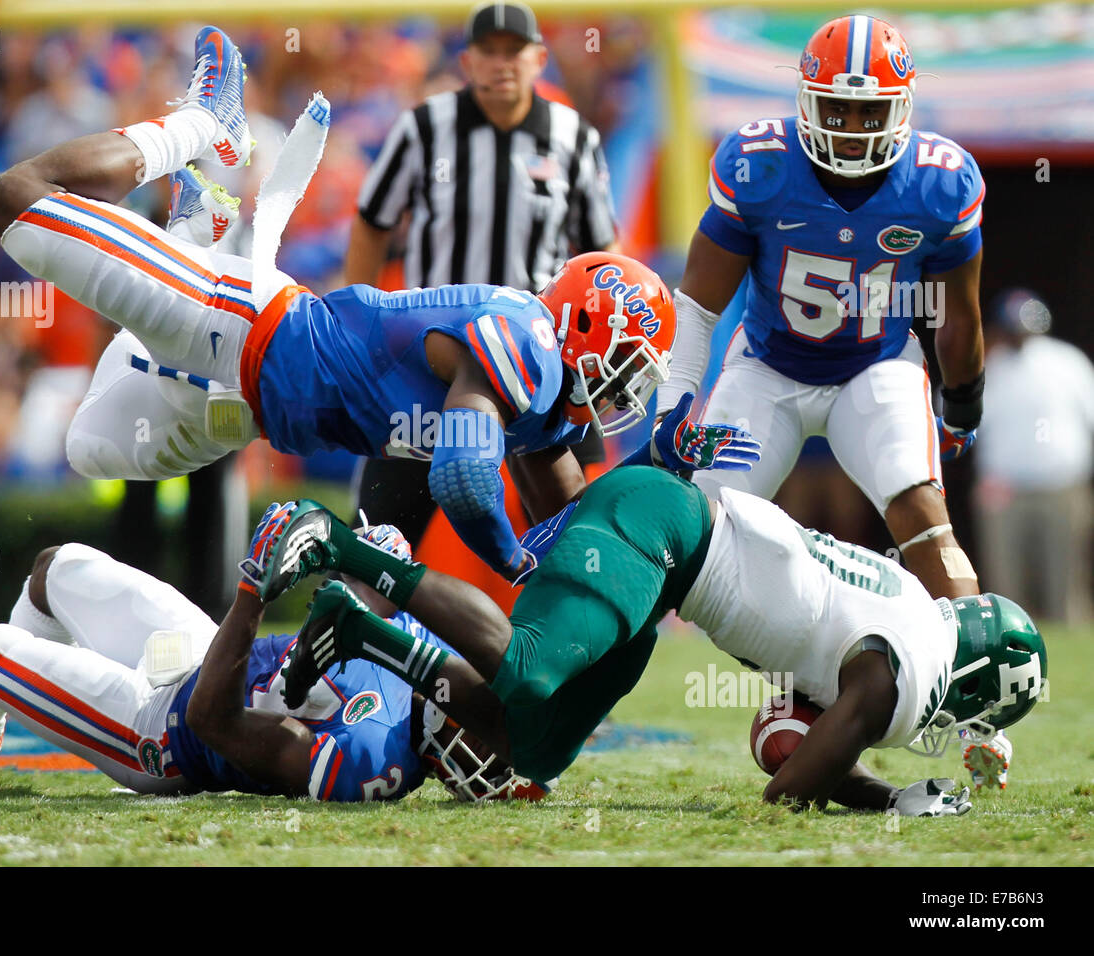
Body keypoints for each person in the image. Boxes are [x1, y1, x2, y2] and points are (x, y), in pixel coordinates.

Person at [0, 26, 756, 582]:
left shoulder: (546, 411)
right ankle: (199, 125)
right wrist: (517, 563)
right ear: (586, 326)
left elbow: (579, 525)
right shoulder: (525, 339)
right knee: (17, 197)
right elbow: (462, 480)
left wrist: (661, 469)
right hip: (249, 327)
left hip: (245, 408)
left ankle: (197, 229)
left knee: (91, 446)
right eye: (628, 365)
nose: (625, 389)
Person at [251, 467, 1048, 811]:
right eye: (978, 709)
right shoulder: (900, 673)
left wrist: (888, 793)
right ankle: (337, 543)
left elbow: (792, 743)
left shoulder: (911, 616)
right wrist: (890, 801)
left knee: (529, 747)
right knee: (527, 670)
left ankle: (357, 630)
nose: (960, 722)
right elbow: (791, 787)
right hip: (662, 530)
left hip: (669, 568)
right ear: (973, 679)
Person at [0, 526, 543, 803]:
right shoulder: (424, 653)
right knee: (55, 567)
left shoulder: (370, 758)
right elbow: (389, 585)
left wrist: (253, 592)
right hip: (210, 657)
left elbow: (217, 723)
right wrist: (370, 557)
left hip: (165, 736)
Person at [653, 15, 986, 604]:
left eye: (870, 113)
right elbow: (699, 306)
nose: (852, 129)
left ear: (901, 109)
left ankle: (974, 652)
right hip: (767, 367)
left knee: (921, 509)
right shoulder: (760, 165)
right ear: (807, 101)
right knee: (695, 530)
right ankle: (614, 644)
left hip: (876, 365)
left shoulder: (939, 184)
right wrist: (671, 406)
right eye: (836, 109)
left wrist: (961, 407)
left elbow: (958, 316)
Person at [346, 1, 620, 568]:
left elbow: (602, 256)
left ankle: (576, 618)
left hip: (540, 360)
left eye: (513, 51)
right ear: (467, 61)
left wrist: (601, 359)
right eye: (488, 51)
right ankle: (351, 616)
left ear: (538, 58)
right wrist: (358, 329)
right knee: (382, 530)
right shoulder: (425, 128)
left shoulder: (573, 137)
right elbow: (372, 222)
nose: (501, 63)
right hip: (432, 356)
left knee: (575, 528)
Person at [974, 289, 1094, 624]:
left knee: (1065, 584)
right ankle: (1010, 640)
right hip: (1004, 490)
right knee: (1006, 588)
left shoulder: (1067, 361)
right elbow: (958, 419)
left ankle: (1070, 639)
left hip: (1062, 485)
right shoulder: (990, 366)